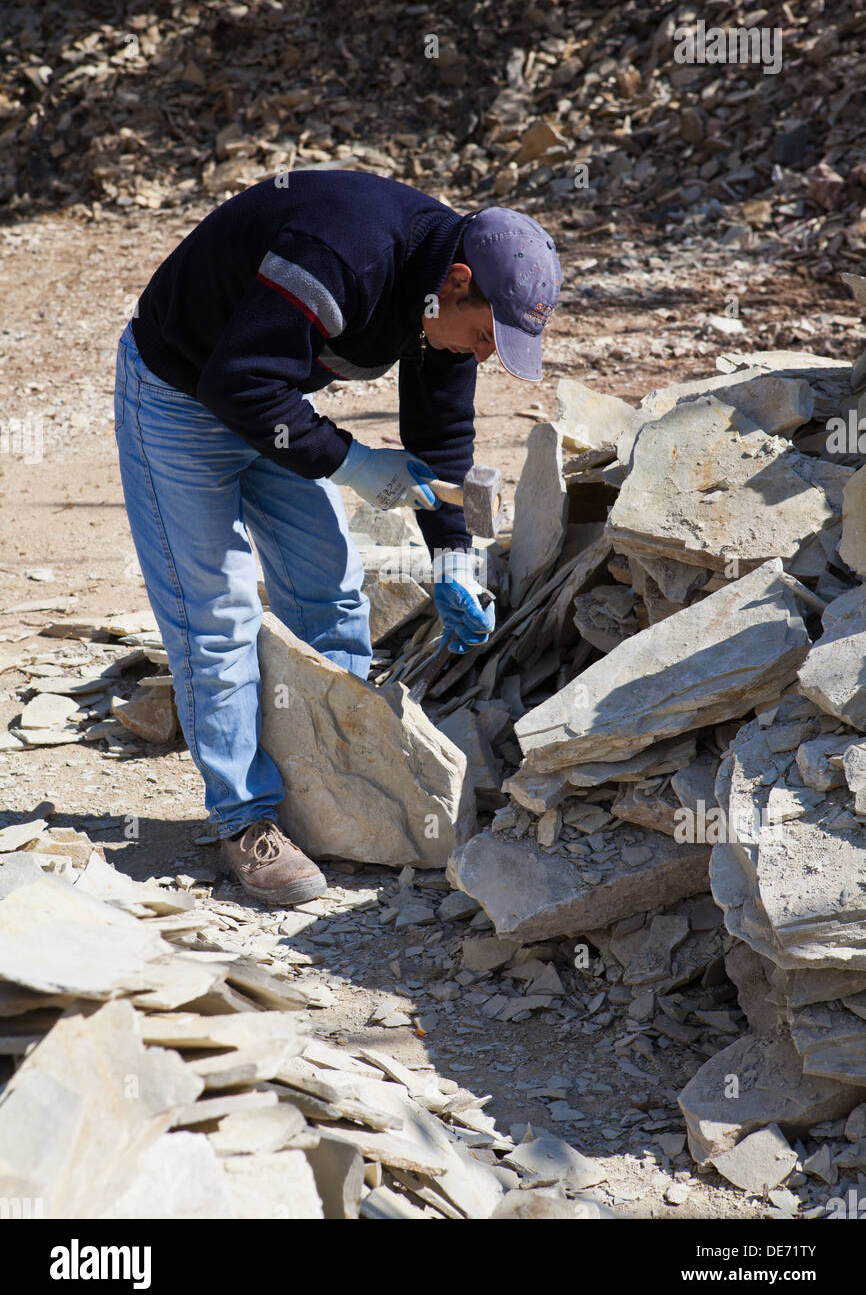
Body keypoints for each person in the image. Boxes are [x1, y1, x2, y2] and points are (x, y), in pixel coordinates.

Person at [113, 169, 561, 905]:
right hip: (182, 397)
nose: (484, 355)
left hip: (270, 401)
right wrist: (352, 464)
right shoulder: (349, 252)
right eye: (485, 335)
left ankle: (341, 779)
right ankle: (246, 823)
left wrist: (452, 554)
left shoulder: (441, 299)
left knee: (330, 586)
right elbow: (236, 381)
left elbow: (441, 439)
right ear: (454, 285)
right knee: (217, 617)